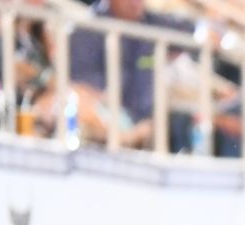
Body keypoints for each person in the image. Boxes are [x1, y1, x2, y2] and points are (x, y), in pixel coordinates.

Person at [65, 0, 192, 148]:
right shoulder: (86, 29)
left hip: (145, 127)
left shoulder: (153, 23)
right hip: (101, 131)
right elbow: (83, 90)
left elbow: (192, 31)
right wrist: (126, 130)